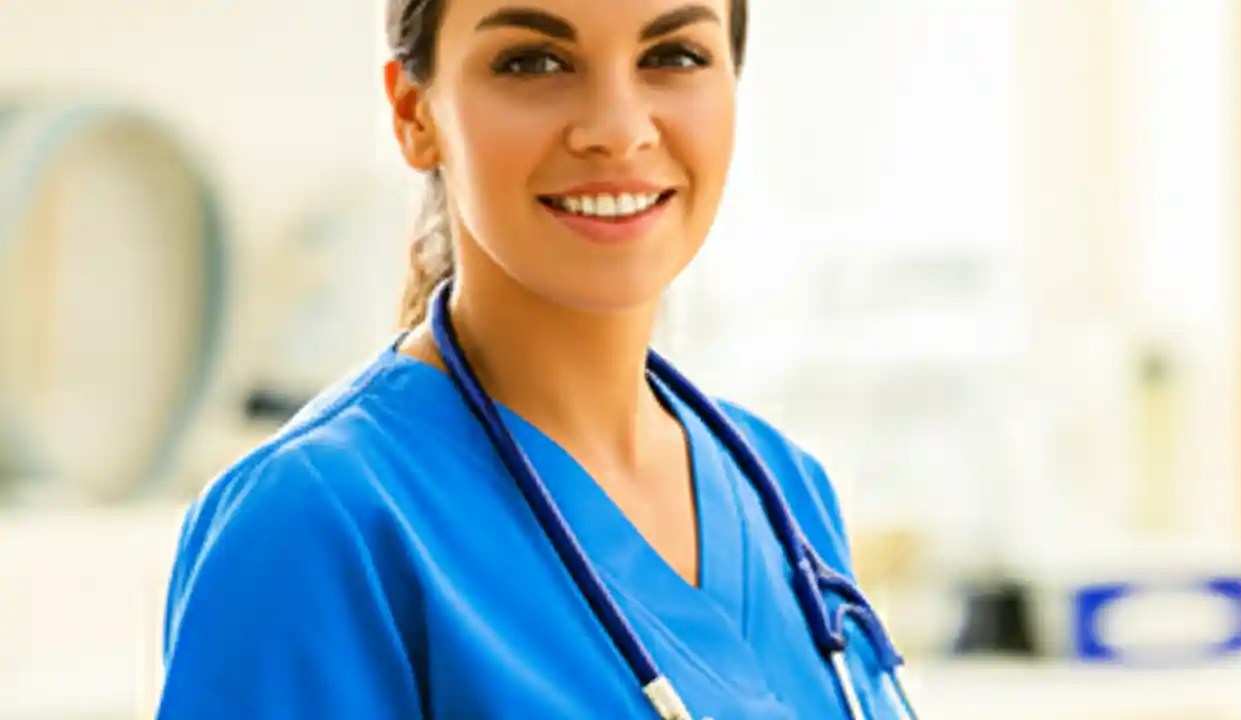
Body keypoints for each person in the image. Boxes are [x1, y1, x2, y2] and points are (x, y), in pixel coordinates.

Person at [157, 1, 915, 718]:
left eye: (675, 56)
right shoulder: (314, 525)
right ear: (415, 114)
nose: (618, 131)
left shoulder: (785, 491)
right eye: (533, 62)